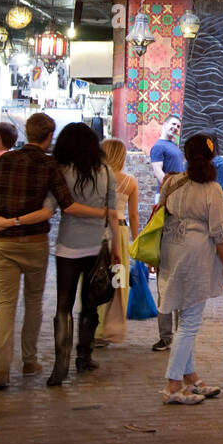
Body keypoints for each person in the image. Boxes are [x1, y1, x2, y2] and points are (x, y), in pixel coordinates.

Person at [0, 112, 115, 390]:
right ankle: (62, 358)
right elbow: (96, 210)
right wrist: (108, 230)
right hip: (66, 245)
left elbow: (36, 207)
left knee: (39, 306)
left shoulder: (38, 166)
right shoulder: (86, 170)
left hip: (41, 245)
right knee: (65, 304)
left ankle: (33, 367)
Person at [157, 134, 223, 404]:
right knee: (190, 322)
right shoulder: (212, 189)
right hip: (195, 257)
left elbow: (160, 212)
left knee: (184, 318)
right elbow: (219, 232)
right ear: (212, 157)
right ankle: (173, 385)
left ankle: (190, 376)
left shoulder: (171, 181)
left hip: (171, 252)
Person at [44, 122, 118, 386]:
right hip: (98, 244)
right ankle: (84, 357)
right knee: (90, 303)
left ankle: (60, 364)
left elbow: (50, 206)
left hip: (67, 246)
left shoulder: (62, 171)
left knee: (63, 306)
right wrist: (116, 250)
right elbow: (113, 215)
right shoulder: (107, 172)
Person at [95, 137, 140, 347]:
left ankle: (94, 325)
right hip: (120, 233)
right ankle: (111, 326)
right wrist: (137, 240)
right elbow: (133, 215)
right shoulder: (130, 181)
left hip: (95, 231)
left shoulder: (95, 177)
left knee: (94, 277)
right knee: (117, 280)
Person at [150, 114, 185, 351]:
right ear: (164, 125)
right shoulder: (158, 147)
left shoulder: (174, 148)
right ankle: (166, 335)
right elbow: (158, 173)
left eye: (178, 125)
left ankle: (181, 333)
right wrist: (172, 191)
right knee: (166, 274)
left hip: (179, 203)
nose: (175, 127)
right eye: (172, 123)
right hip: (167, 201)